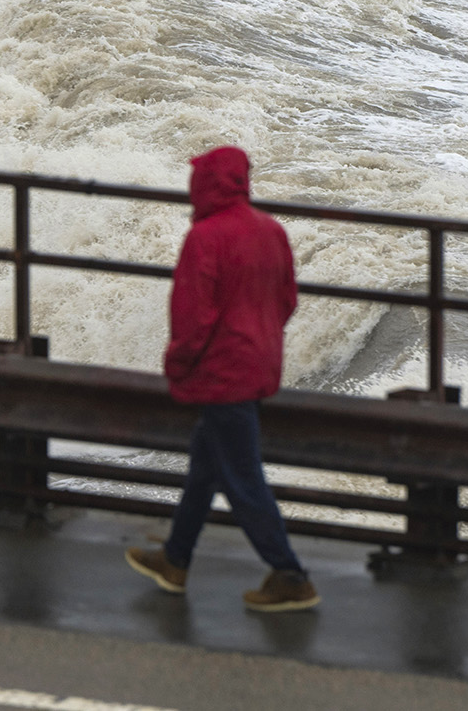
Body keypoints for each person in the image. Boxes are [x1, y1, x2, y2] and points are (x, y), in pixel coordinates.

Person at [126, 146, 319, 613]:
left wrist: (177, 364)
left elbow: (193, 317)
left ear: (206, 184)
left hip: (221, 372)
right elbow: (287, 299)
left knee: (241, 477)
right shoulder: (271, 231)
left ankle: (290, 574)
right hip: (257, 364)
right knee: (205, 467)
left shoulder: (206, 237)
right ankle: (175, 560)